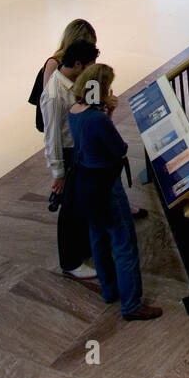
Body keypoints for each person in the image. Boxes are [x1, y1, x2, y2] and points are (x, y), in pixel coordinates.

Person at [66, 64, 162, 321]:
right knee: (124, 243)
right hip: (107, 185)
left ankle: (109, 290)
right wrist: (109, 112)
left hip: (87, 184)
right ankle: (132, 304)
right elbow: (119, 148)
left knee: (98, 238)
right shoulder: (97, 118)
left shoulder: (74, 111)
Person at [41, 38, 99, 279]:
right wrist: (58, 172)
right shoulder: (54, 94)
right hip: (68, 154)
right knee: (70, 211)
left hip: (79, 151)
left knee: (80, 205)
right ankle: (70, 262)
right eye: (88, 67)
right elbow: (52, 137)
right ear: (77, 64)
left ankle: (84, 249)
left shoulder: (76, 83)